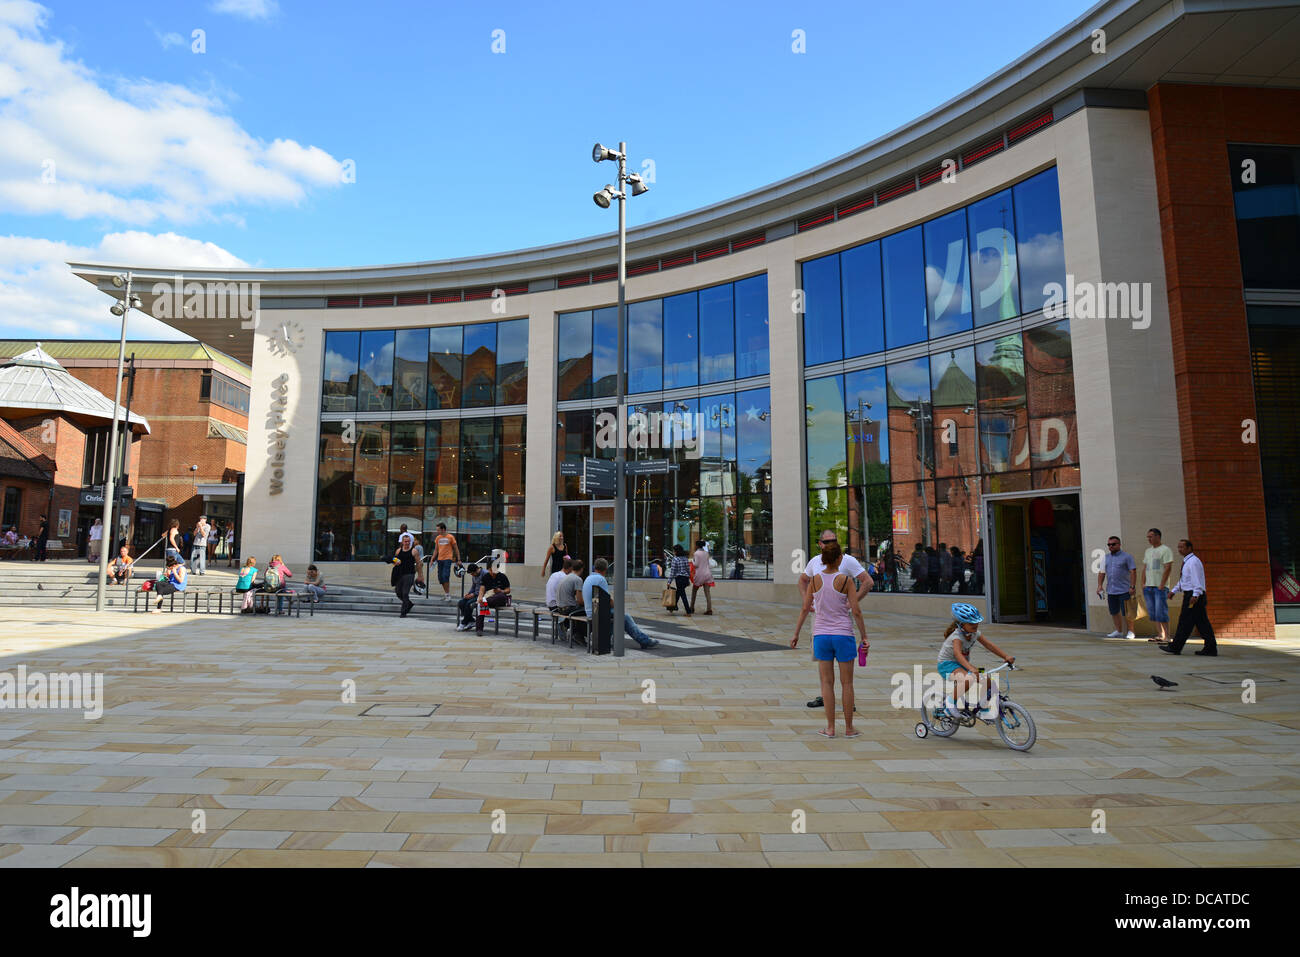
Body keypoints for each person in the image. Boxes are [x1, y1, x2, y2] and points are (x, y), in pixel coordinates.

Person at [791, 533, 869, 738]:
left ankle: (830, 728)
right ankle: (850, 728)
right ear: (839, 559)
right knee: (847, 683)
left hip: (821, 635)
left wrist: (796, 633)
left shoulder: (815, 580)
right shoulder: (846, 581)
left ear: (823, 558)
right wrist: (864, 636)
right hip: (844, 634)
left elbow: (804, 608)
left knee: (826, 683)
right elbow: (857, 611)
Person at [937, 603, 1015, 716]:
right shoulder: (957, 636)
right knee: (968, 679)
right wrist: (971, 669)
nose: (975, 625)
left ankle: (982, 708)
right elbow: (958, 654)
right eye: (971, 623)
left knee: (987, 679)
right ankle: (950, 704)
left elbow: (989, 645)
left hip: (963, 665)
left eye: (976, 622)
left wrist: (1005, 656)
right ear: (961, 624)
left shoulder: (975, 633)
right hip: (947, 666)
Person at [583, 557, 658, 649]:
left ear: (595, 567)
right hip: (597, 613)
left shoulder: (588, 578)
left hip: (590, 611)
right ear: (606, 569)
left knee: (616, 615)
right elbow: (607, 600)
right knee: (624, 617)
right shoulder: (601, 580)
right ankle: (644, 640)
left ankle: (609, 637)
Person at [1159, 539, 1217, 656]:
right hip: (1190, 594)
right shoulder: (1187, 562)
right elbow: (1184, 581)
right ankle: (1210, 647)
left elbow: (1197, 580)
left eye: (1182, 547)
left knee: (1185, 622)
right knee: (1201, 623)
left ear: (1189, 548)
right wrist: (1174, 591)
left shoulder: (1193, 562)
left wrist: (1195, 595)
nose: (1180, 549)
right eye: (1178, 547)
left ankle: (1176, 647)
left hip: (1194, 596)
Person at [1139, 527, 1174, 643]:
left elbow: (1168, 567)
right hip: (1148, 586)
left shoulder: (1165, 550)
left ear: (1158, 537)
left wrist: (1162, 584)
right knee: (1153, 612)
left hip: (1160, 586)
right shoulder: (1148, 551)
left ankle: (1167, 636)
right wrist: (1143, 583)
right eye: (1148, 537)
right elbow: (1145, 568)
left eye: (1151, 536)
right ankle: (1160, 634)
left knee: (1161, 610)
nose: (1149, 539)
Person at [1098, 534, 1136, 639]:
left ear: (1119, 544)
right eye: (1109, 545)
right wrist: (1099, 586)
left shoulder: (1127, 557)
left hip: (1124, 589)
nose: (1110, 546)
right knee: (1114, 611)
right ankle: (1118, 631)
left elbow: (1133, 571)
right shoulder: (1105, 558)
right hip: (1111, 590)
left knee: (1127, 612)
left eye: (1113, 544)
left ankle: (1131, 631)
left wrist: (1132, 586)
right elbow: (1102, 572)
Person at [554, 558, 587, 645]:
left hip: (559, 608)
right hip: (568, 609)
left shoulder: (566, 576)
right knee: (587, 611)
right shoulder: (578, 579)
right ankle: (578, 635)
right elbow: (580, 601)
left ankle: (566, 624)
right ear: (582, 569)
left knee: (580, 609)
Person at [475, 561, 512, 634]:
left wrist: (501, 591)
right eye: (492, 570)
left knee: (500, 596)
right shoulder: (486, 577)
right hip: (489, 597)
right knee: (481, 603)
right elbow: (482, 589)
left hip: (499, 599)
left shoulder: (502, 576)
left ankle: (484, 601)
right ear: (489, 569)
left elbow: (508, 590)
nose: (494, 572)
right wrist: (480, 597)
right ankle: (479, 629)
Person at [391, 536, 417, 617]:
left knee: (405, 593)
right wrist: (395, 562)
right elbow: (394, 560)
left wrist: (420, 576)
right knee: (398, 592)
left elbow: (419, 564)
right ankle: (408, 604)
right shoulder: (398, 551)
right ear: (402, 542)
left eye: (409, 541)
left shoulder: (414, 551)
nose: (407, 543)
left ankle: (403, 612)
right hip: (400, 574)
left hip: (410, 574)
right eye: (406, 541)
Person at [456, 562, 485, 630]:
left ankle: (464, 622)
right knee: (461, 602)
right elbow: (473, 586)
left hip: (482, 595)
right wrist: (468, 594)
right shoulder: (474, 575)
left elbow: (485, 588)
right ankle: (471, 620)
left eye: (472, 573)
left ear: (477, 570)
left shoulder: (485, 574)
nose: (472, 575)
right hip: (475, 594)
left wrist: (473, 594)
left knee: (469, 604)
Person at [690, 540, 715, 615]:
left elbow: (696, 564)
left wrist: (692, 561)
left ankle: (691, 607)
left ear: (697, 546)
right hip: (707, 574)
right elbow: (707, 563)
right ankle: (709, 609)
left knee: (694, 592)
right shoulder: (706, 553)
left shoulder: (696, 553)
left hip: (699, 574)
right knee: (707, 593)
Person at [668, 545, 693, 616]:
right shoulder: (685, 558)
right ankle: (673, 607)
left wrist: (669, 581)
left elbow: (673, 572)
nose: (673, 552)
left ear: (676, 551)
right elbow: (688, 570)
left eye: (673, 551)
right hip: (685, 578)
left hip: (679, 579)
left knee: (682, 595)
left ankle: (688, 611)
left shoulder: (675, 559)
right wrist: (688, 579)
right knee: (679, 592)